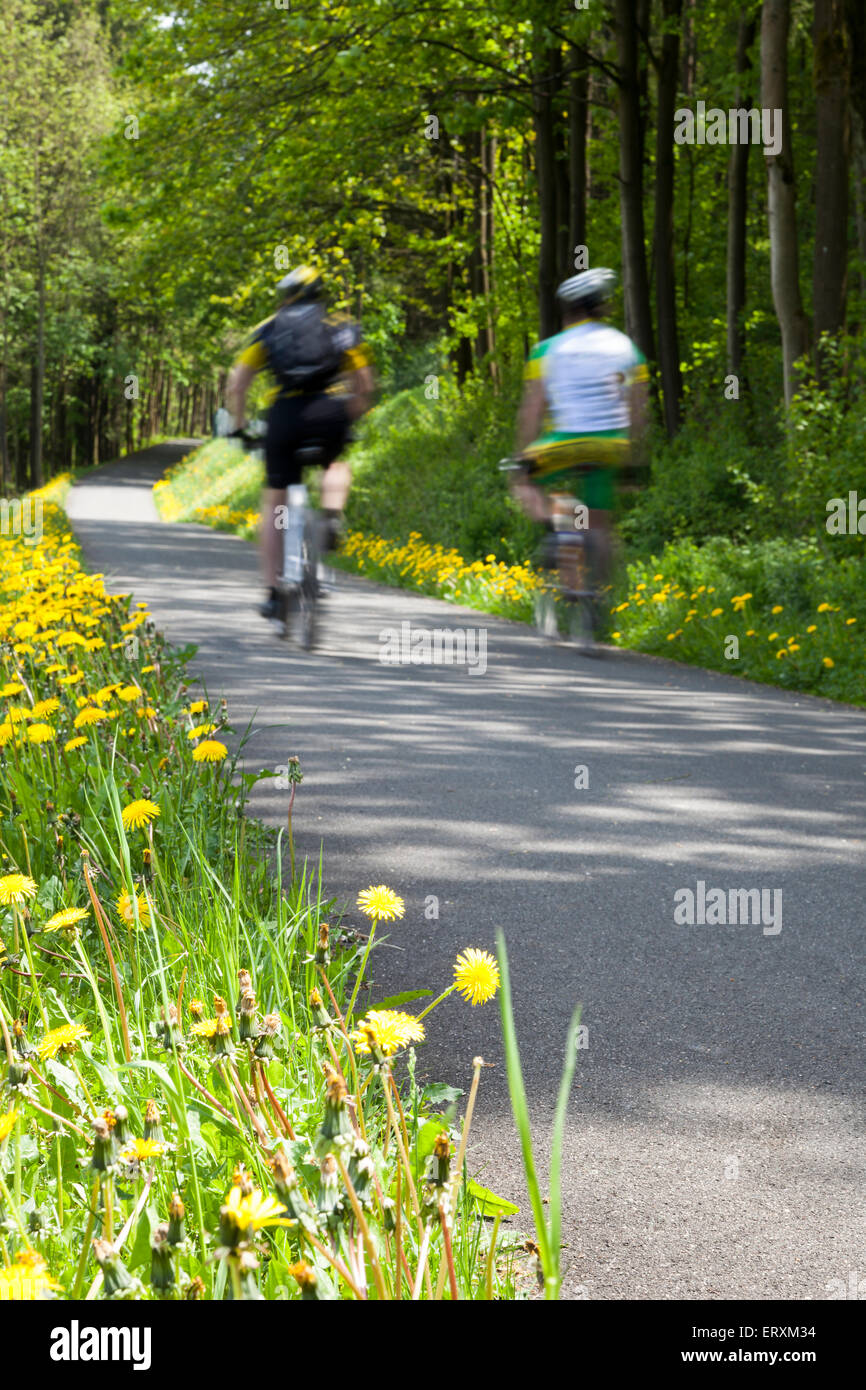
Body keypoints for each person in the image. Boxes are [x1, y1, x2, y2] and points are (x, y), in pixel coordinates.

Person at [226, 265, 374, 618]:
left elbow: (238, 382)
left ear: (287, 296)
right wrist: (352, 415)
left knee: (275, 504)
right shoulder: (341, 326)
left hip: (285, 417)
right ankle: (332, 515)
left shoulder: (268, 328)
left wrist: (239, 425)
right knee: (336, 462)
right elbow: (364, 382)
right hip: (328, 412)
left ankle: (274, 592)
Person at [512, 267, 649, 593]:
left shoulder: (548, 350)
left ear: (568, 310)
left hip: (563, 444)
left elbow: (533, 409)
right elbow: (639, 411)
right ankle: (594, 600)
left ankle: (559, 530)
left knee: (524, 481)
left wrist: (521, 455)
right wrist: (636, 462)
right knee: (599, 523)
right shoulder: (626, 348)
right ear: (602, 306)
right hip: (610, 446)